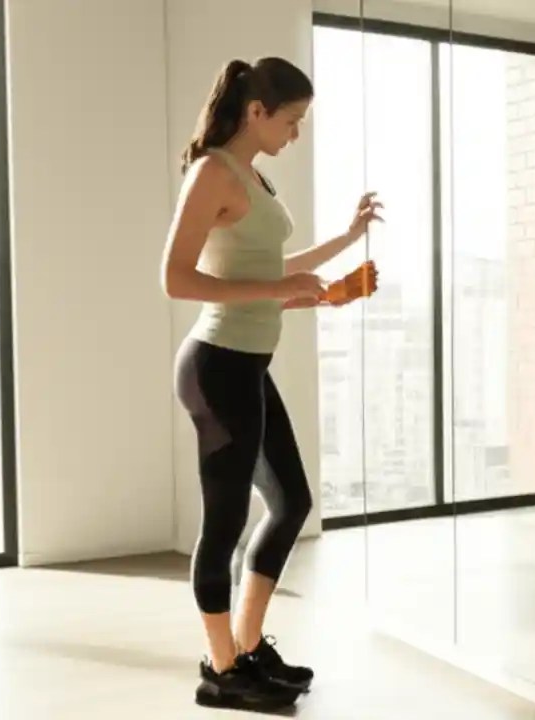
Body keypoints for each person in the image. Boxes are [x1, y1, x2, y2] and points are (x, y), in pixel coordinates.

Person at [161, 57, 379, 711]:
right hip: (216, 365)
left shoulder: (251, 176)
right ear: (256, 112)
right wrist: (281, 288)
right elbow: (177, 278)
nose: (296, 133)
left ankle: (249, 647)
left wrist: (342, 249)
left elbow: (267, 269)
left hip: (247, 363)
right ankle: (222, 669)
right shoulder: (211, 173)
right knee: (224, 521)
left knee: (290, 502)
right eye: (292, 120)